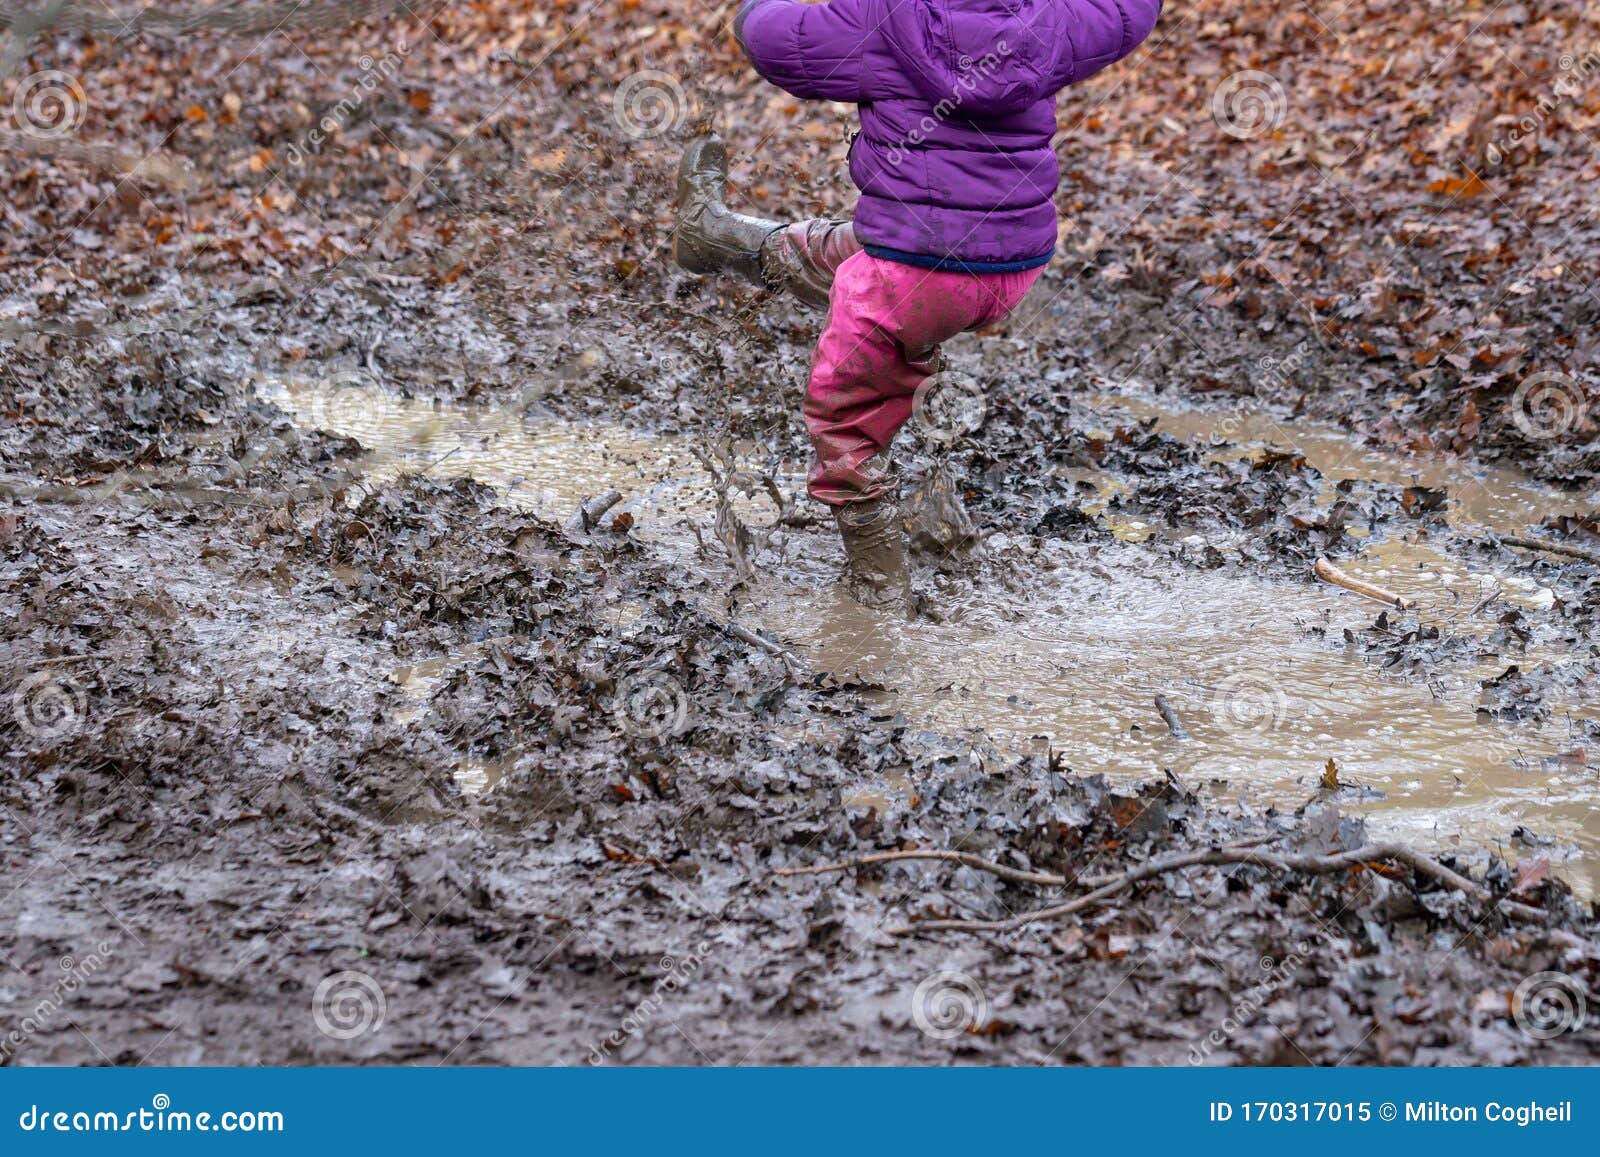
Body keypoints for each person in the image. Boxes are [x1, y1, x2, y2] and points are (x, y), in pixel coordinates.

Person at [673, 0, 1164, 613]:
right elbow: (1126, 14)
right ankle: (713, 234)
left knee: (845, 410)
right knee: (861, 264)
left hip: (916, 266)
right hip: (1011, 266)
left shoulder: (881, 18)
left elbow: (773, 39)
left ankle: (876, 587)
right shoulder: (1054, 17)